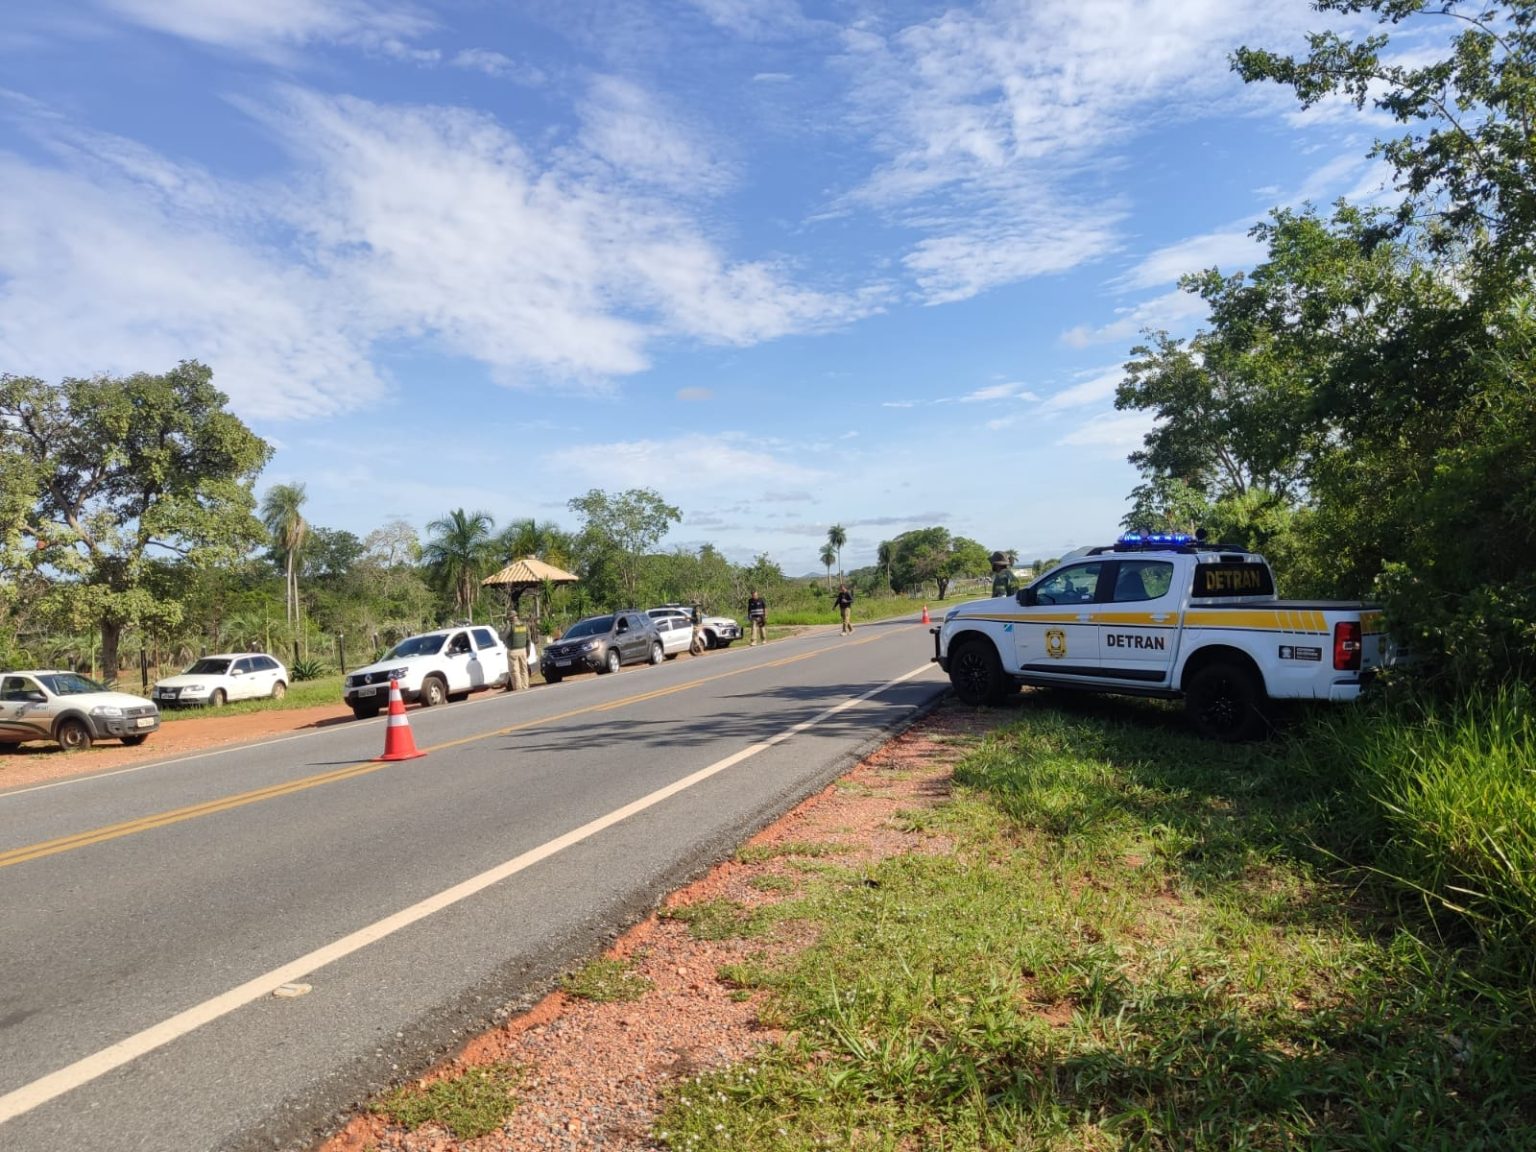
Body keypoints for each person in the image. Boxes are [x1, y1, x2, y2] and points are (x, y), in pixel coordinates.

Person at [505, 610, 530, 692]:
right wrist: (528, 650)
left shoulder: (510, 626)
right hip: (523, 650)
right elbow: (528, 639)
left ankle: (518, 689)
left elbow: (503, 636)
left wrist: (501, 631)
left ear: (510, 618)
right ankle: (525, 686)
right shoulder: (524, 625)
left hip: (513, 651)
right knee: (524, 670)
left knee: (515, 671)